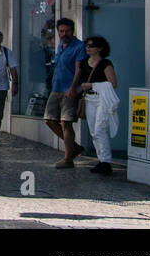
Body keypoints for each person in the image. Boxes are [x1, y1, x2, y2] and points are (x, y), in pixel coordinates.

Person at [44, 18, 89, 169]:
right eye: (61, 31)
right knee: (49, 120)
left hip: (70, 90)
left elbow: (79, 69)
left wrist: (73, 87)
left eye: (67, 31)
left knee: (66, 123)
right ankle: (74, 147)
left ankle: (68, 158)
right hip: (56, 88)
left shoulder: (79, 46)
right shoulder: (60, 47)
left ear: (73, 30)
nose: (64, 34)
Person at [79, 36, 119, 175]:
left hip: (102, 100)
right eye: (87, 45)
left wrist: (92, 85)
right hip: (89, 99)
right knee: (93, 131)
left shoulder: (105, 63)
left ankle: (106, 162)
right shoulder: (84, 63)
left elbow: (113, 83)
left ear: (100, 48)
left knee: (100, 129)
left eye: (92, 45)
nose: (88, 48)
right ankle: (101, 159)